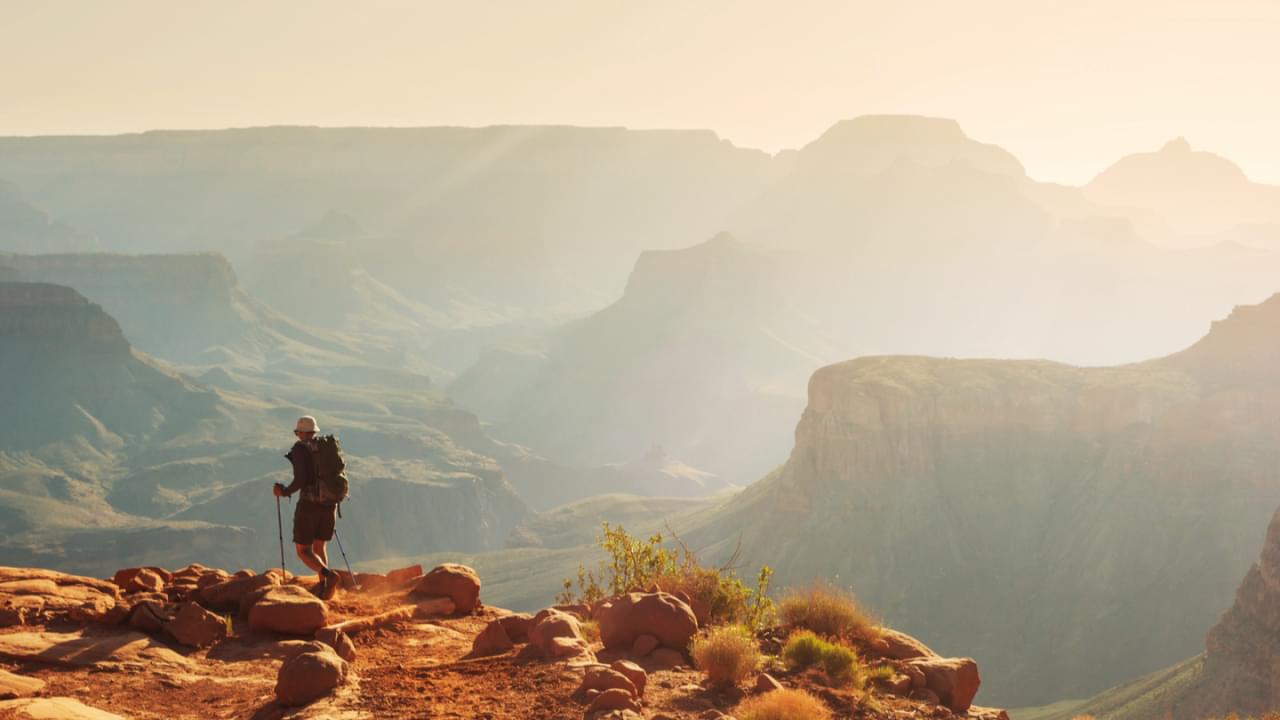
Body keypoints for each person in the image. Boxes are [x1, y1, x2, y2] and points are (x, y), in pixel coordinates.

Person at [273, 415, 340, 599]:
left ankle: (328, 576)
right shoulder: (327, 447)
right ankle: (323, 587)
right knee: (319, 546)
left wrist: (284, 491)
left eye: (297, 432)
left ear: (301, 432)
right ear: (315, 431)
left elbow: (302, 479)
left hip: (309, 505)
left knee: (304, 551)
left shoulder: (300, 449)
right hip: (329, 504)